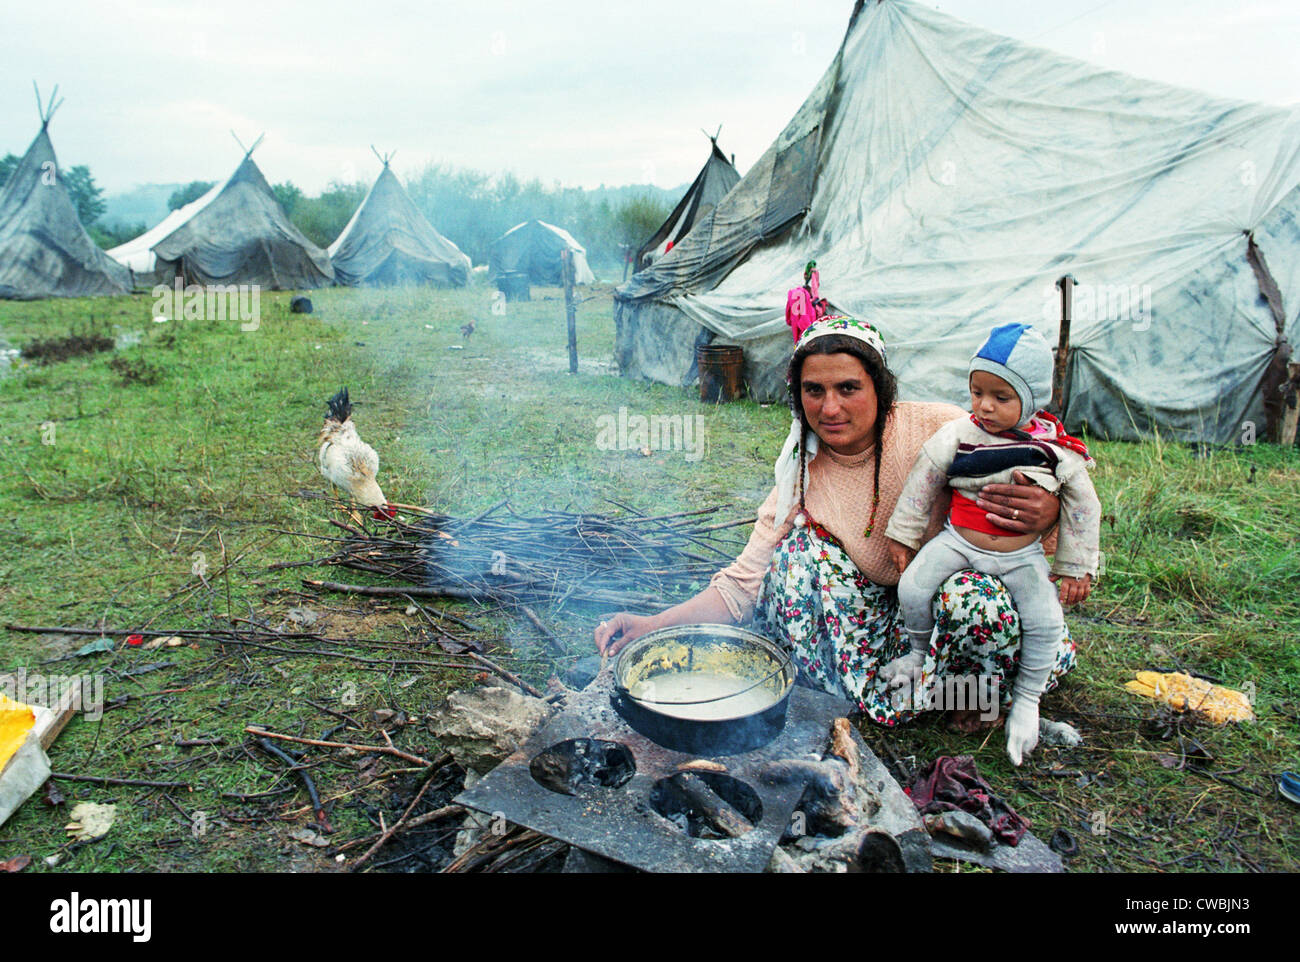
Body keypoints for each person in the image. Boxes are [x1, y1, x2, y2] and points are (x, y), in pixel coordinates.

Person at [594, 316, 1076, 732]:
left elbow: (1049, 507)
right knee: (799, 552)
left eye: (848, 388)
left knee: (974, 598)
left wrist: (1047, 510)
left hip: (951, 605)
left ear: (879, 388)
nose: (830, 408)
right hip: (878, 621)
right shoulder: (801, 469)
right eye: (814, 390)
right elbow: (743, 583)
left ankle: (974, 696)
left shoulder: (945, 429)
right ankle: (885, 689)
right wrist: (651, 627)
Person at [882, 323, 1101, 764]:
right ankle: (918, 655)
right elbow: (923, 480)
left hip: (1021, 556)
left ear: (1032, 399)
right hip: (958, 541)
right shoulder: (959, 434)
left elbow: (1083, 506)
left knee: (1045, 619)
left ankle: (1026, 700)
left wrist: (1076, 565)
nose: (984, 405)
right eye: (977, 391)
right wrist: (904, 534)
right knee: (912, 587)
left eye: (1001, 397)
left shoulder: (1054, 450)